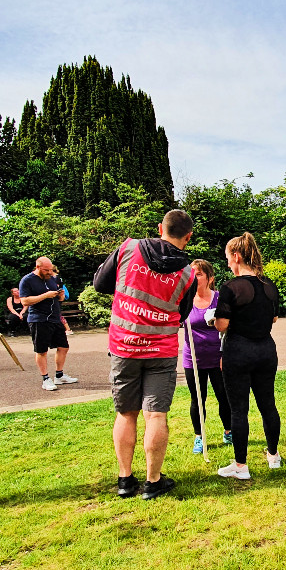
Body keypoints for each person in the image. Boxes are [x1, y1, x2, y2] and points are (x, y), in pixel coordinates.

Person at [92, 209, 199, 500]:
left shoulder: (129, 248)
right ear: (188, 237)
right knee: (156, 415)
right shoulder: (188, 274)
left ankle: (125, 479)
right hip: (160, 350)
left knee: (126, 413)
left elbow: (100, 285)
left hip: (124, 346)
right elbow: (183, 314)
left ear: (159, 228)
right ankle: (153, 481)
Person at [212, 232, 282, 479]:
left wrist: (214, 318)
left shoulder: (230, 287)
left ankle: (241, 466)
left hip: (239, 351)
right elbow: (273, 317)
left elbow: (221, 325)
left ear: (237, 256)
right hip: (266, 350)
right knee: (268, 405)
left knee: (238, 410)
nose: (228, 265)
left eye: (228, 259)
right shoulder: (269, 285)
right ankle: (273, 456)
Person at [180, 259, 232, 454]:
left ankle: (229, 431)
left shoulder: (220, 299)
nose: (194, 277)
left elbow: (229, 328)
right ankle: (199, 436)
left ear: (210, 278)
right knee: (197, 399)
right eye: (192, 274)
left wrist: (224, 353)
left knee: (223, 397)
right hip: (193, 359)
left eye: (199, 274)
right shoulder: (185, 301)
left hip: (218, 357)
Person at [19, 257, 77, 391]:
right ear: (38, 267)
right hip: (38, 319)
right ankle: (45, 378)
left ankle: (59, 375)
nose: (50, 272)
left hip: (55, 318)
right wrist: (45, 295)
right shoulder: (27, 280)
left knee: (63, 347)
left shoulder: (53, 278)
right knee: (41, 350)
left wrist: (60, 295)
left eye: (51, 269)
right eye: (46, 270)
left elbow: (59, 298)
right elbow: (25, 301)